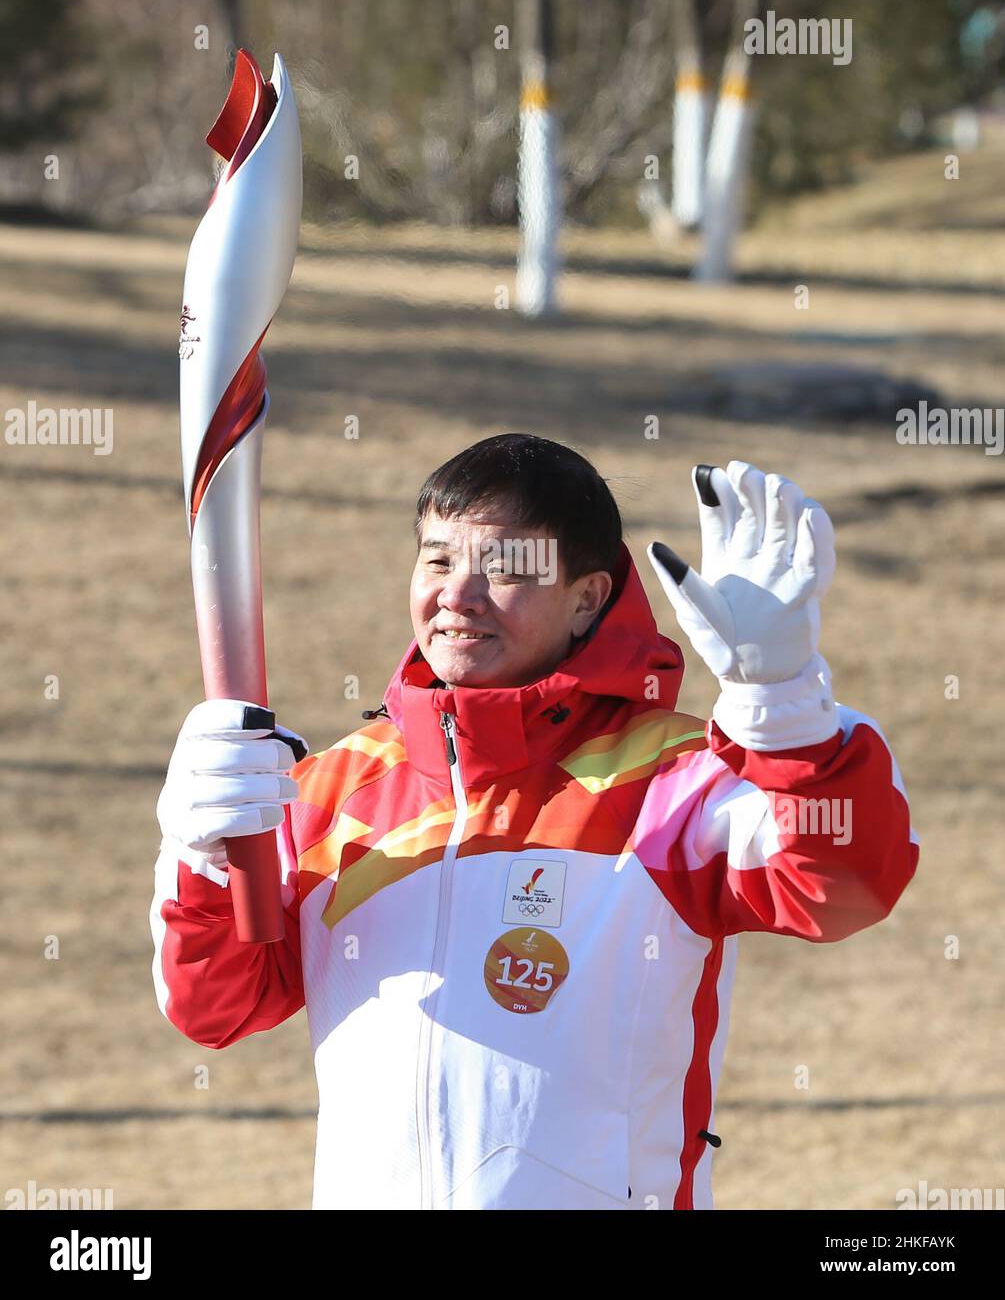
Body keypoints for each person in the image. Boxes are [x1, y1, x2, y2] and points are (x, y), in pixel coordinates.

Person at [150, 432, 918, 1210]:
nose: (459, 594)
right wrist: (201, 853)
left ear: (587, 597)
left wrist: (782, 704)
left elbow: (842, 889)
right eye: (439, 559)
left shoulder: (673, 782)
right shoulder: (330, 791)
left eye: (508, 569)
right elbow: (219, 1006)